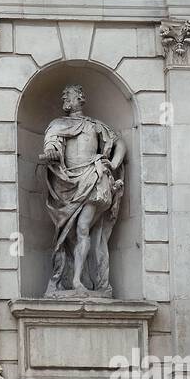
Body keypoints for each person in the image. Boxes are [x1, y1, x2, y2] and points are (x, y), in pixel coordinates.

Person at [40, 84, 126, 297]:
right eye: (64, 96)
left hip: (93, 179)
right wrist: (51, 152)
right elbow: (52, 144)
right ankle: (73, 278)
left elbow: (120, 143)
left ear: (79, 98)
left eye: (68, 95)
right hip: (68, 185)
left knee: (83, 227)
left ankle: (78, 281)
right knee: (70, 234)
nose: (64, 99)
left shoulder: (95, 125)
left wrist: (112, 165)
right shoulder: (58, 124)